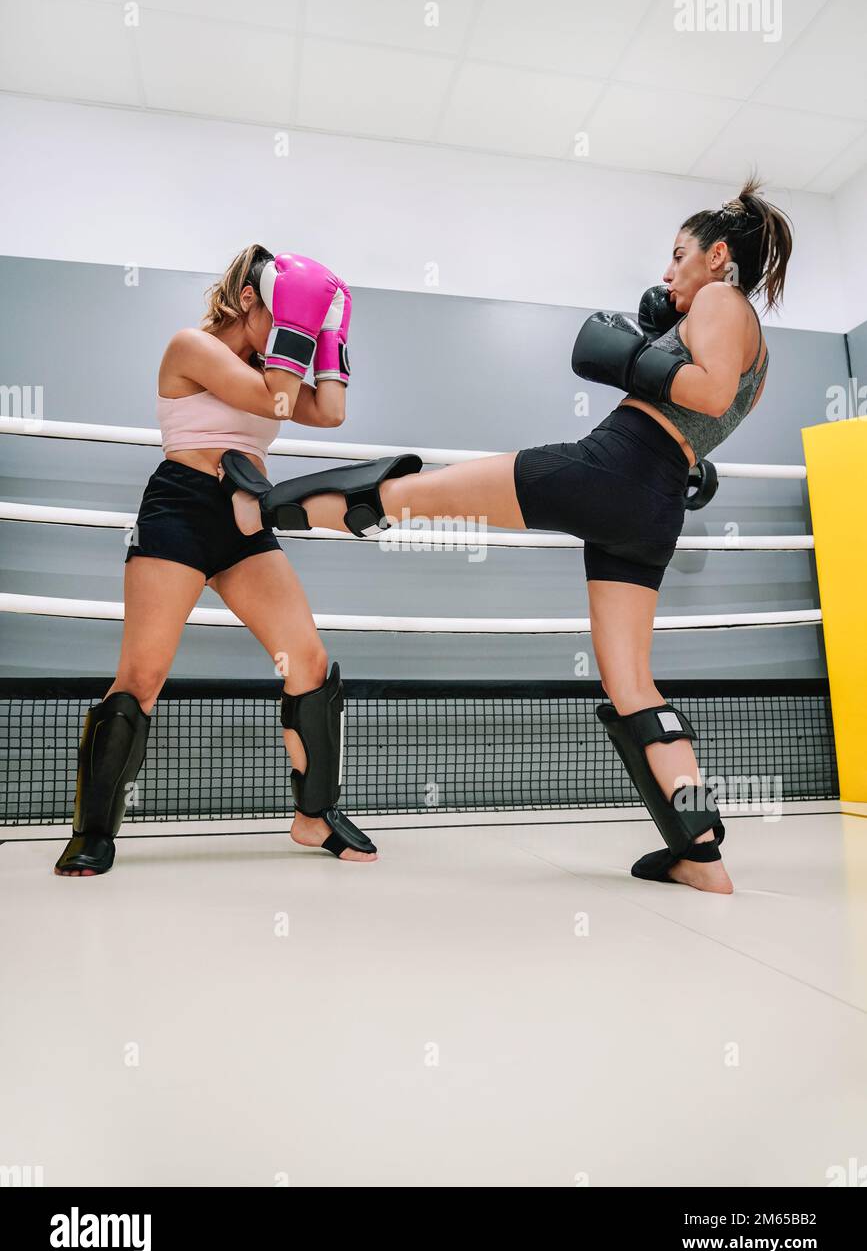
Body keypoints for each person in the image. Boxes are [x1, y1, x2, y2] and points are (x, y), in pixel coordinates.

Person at [222, 179, 793, 895]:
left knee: (411, 494)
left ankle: (260, 508)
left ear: (717, 257)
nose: (667, 272)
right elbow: (712, 414)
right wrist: (650, 346)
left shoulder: (717, 301)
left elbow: (705, 393)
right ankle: (699, 852)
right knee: (632, 684)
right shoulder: (762, 353)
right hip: (653, 504)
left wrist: (622, 355)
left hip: (611, 466)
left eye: (678, 256)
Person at [55, 247, 377, 875]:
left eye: (305, 327)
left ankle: (314, 816)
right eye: (292, 320)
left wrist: (331, 331)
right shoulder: (190, 348)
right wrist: (297, 328)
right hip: (180, 508)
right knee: (142, 675)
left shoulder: (269, 369)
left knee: (306, 659)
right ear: (251, 300)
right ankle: (93, 832)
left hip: (245, 517)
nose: (299, 338)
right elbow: (280, 402)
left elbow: (331, 412)